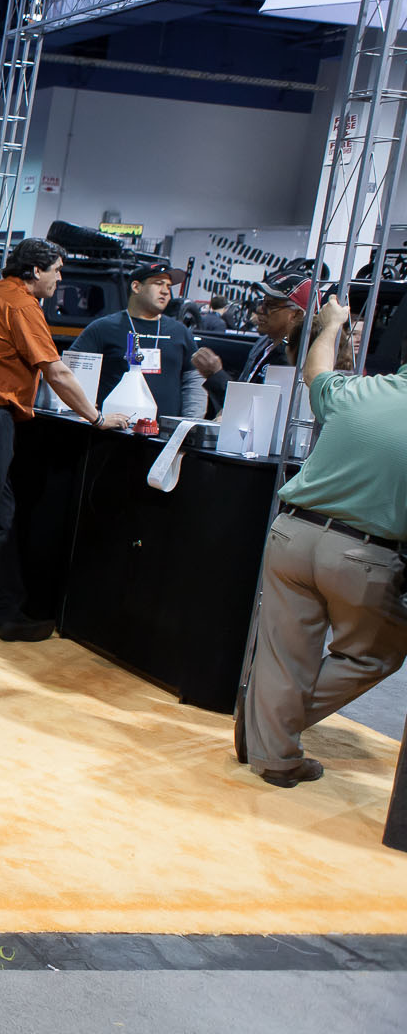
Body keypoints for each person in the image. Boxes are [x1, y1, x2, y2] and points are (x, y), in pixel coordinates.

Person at [0, 238, 132, 640]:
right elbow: (57, 372)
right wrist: (97, 417)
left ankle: (7, 614)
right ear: (35, 271)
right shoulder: (20, 304)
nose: (60, 278)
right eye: (57, 270)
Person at [239, 292, 407, 786]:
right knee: (373, 655)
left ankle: (273, 749)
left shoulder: (362, 390)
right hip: (365, 552)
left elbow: (314, 372)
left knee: (283, 653)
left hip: (292, 532)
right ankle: (271, 730)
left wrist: (331, 324)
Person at [68, 259, 223, 417]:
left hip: (164, 430)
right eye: (158, 283)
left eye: (168, 286)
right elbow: (73, 371)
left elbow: (194, 382)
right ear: (136, 287)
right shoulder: (103, 328)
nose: (165, 291)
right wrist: (91, 414)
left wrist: (187, 424)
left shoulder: (180, 332)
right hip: (114, 427)